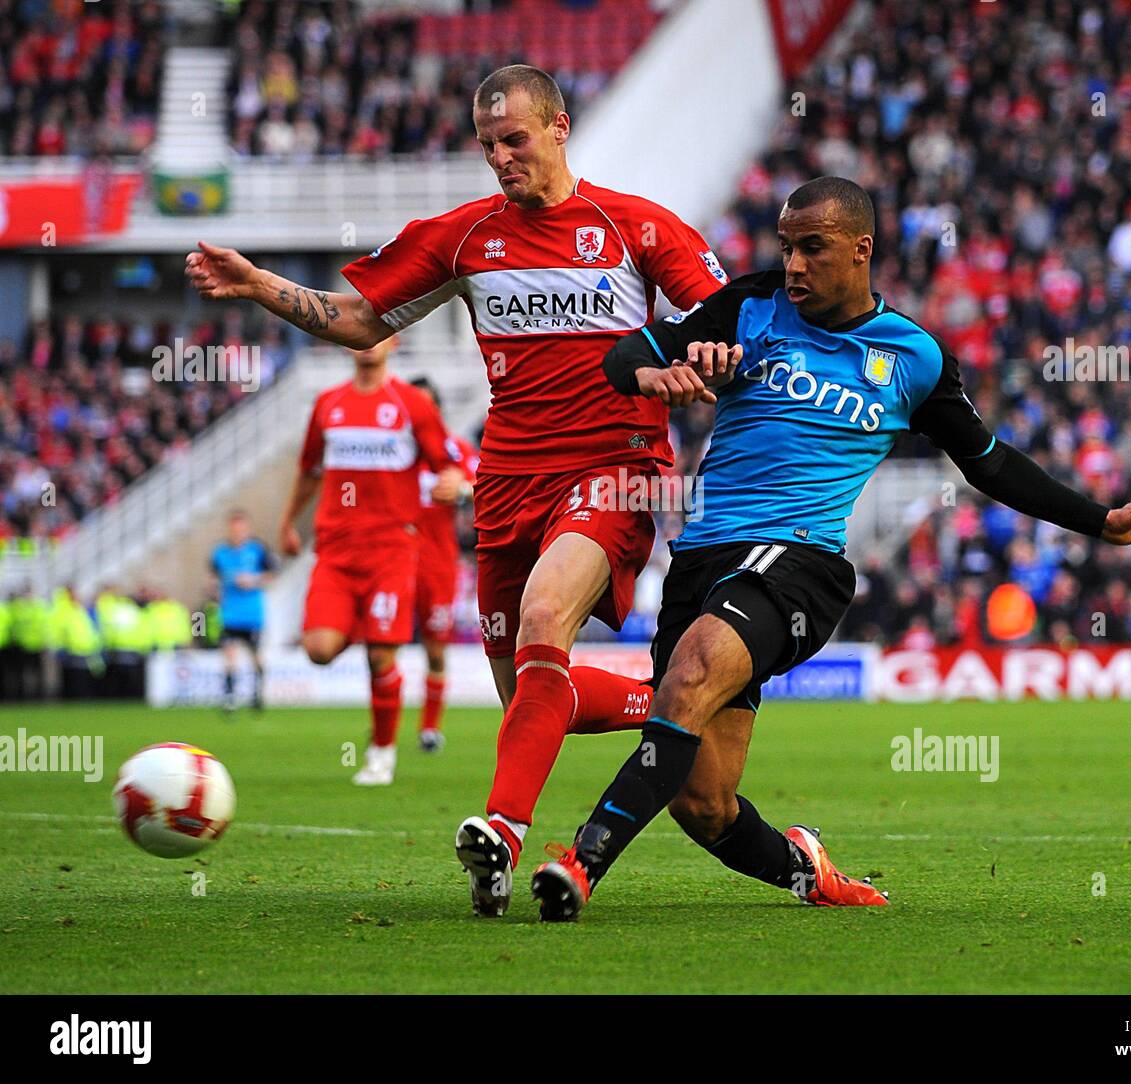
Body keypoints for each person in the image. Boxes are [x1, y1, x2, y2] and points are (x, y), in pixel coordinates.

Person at [529, 177, 1131, 921]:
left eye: (812, 248)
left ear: (860, 248)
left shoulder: (914, 356)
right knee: (703, 803)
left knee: (689, 674)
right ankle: (807, 869)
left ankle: (581, 864)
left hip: (799, 560)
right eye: (786, 248)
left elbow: (992, 462)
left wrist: (1103, 520)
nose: (794, 266)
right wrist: (663, 373)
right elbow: (624, 360)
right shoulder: (748, 307)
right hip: (703, 558)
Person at [186, 64, 727, 914]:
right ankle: (673, 705)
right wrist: (257, 284)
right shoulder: (464, 236)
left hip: (615, 472)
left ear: (559, 126)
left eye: (514, 139)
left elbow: (724, 329)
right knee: (529, 696)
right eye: (487, 145)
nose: (502, 157)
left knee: (549, 620)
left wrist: (693, 364)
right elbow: (363, 320)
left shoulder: (636, 227)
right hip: (507, 481)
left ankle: (503, 830)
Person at [278, 336, 461, 786]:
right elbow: (308, 469)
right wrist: (287, 522)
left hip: (391, 550)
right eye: (360, 336)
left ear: (394, 341)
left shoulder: (412, 404)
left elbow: (447, 462)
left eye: (378, 334)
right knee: (318, 649)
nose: (367, 344)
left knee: (382, 657)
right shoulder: (328, 405)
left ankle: (381, 752)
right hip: (336, 551)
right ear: (347, 344)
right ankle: (365, 626)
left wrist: (452, 482)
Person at [409, 377, 477, 753]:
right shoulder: (392, 452)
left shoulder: (454, 452)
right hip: (391, 559)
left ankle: (429, 728)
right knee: (377, 646)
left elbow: (490, 481)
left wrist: (465, 489)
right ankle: (380, 738)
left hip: (436, 564)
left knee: (435, 650)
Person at [210, 510, 277, 712]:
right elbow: (213, 579)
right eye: (234, 528)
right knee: (229, 655)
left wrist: (254, 580)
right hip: (229, 613)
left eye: (242, 528)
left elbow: (272, 574)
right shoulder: (219, 553)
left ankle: (258, 694)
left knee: (255, 655)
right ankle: (230, 698)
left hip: (252, 614)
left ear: (247, 529)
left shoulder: (257, 550)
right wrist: (215, 592)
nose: (238, 532)